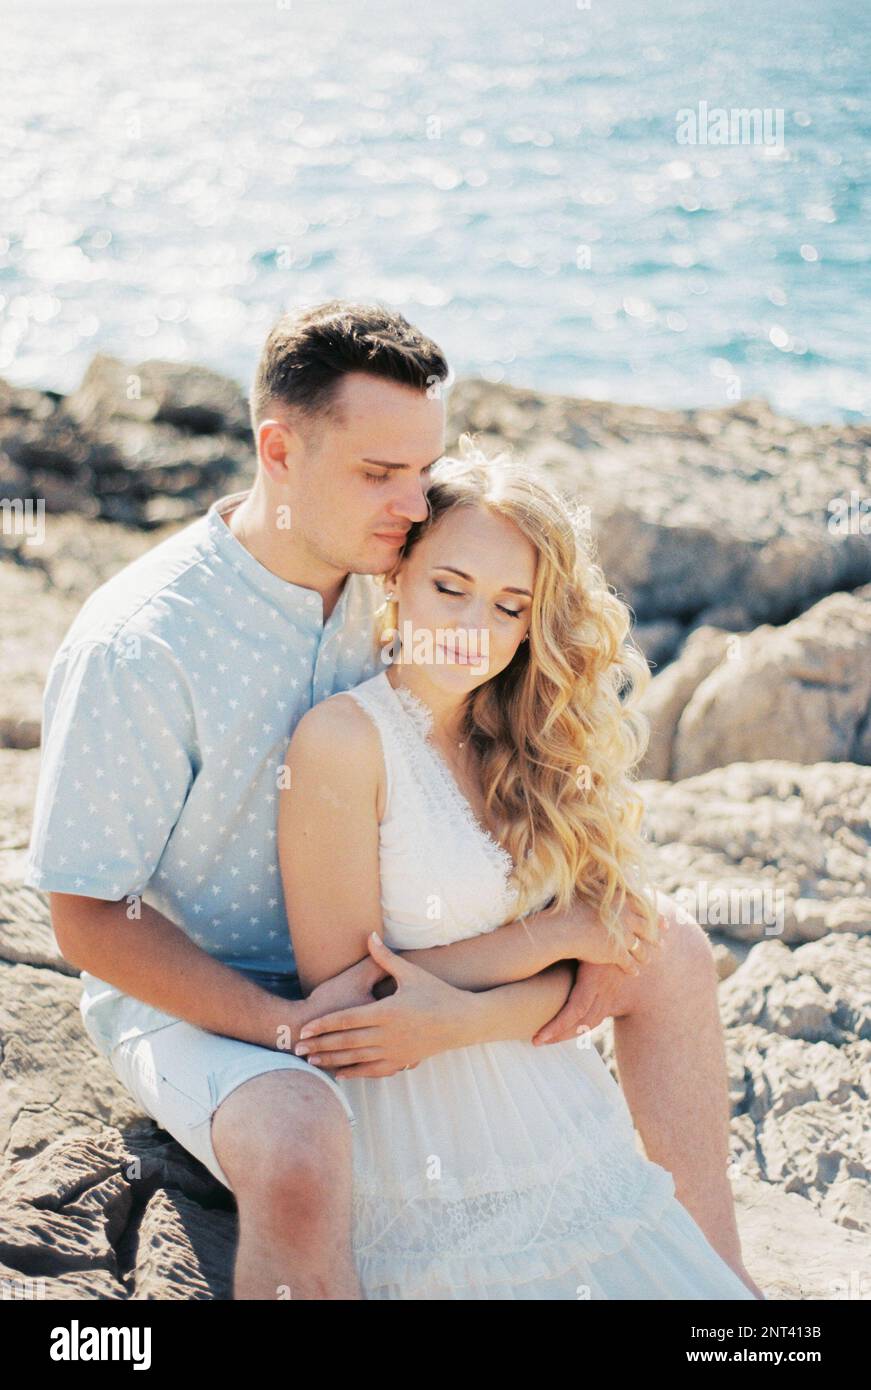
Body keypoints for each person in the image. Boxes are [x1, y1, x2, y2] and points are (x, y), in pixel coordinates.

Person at [24, 299, 762, 1300]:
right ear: (278, 450)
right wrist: (284, 1025)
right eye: (379, 474)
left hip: (397, 947)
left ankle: (723, 1287)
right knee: (297, 1134)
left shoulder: (392, 579)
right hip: (207, 994)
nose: (412, 503)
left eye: (422, 470)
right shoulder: (143, 640)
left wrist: (534, 952)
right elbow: (84, 913)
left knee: (668, 947)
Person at [277, 442, 762, 1299]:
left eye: (508, 607)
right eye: (448, 588)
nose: (473, 631)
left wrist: (480, 1012)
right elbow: (346, 1000)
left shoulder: (520, 738)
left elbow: (608, 952)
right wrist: (555, 937)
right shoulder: (345, 741)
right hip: (420, 1129)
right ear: (396, 581)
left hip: (549, 1104)